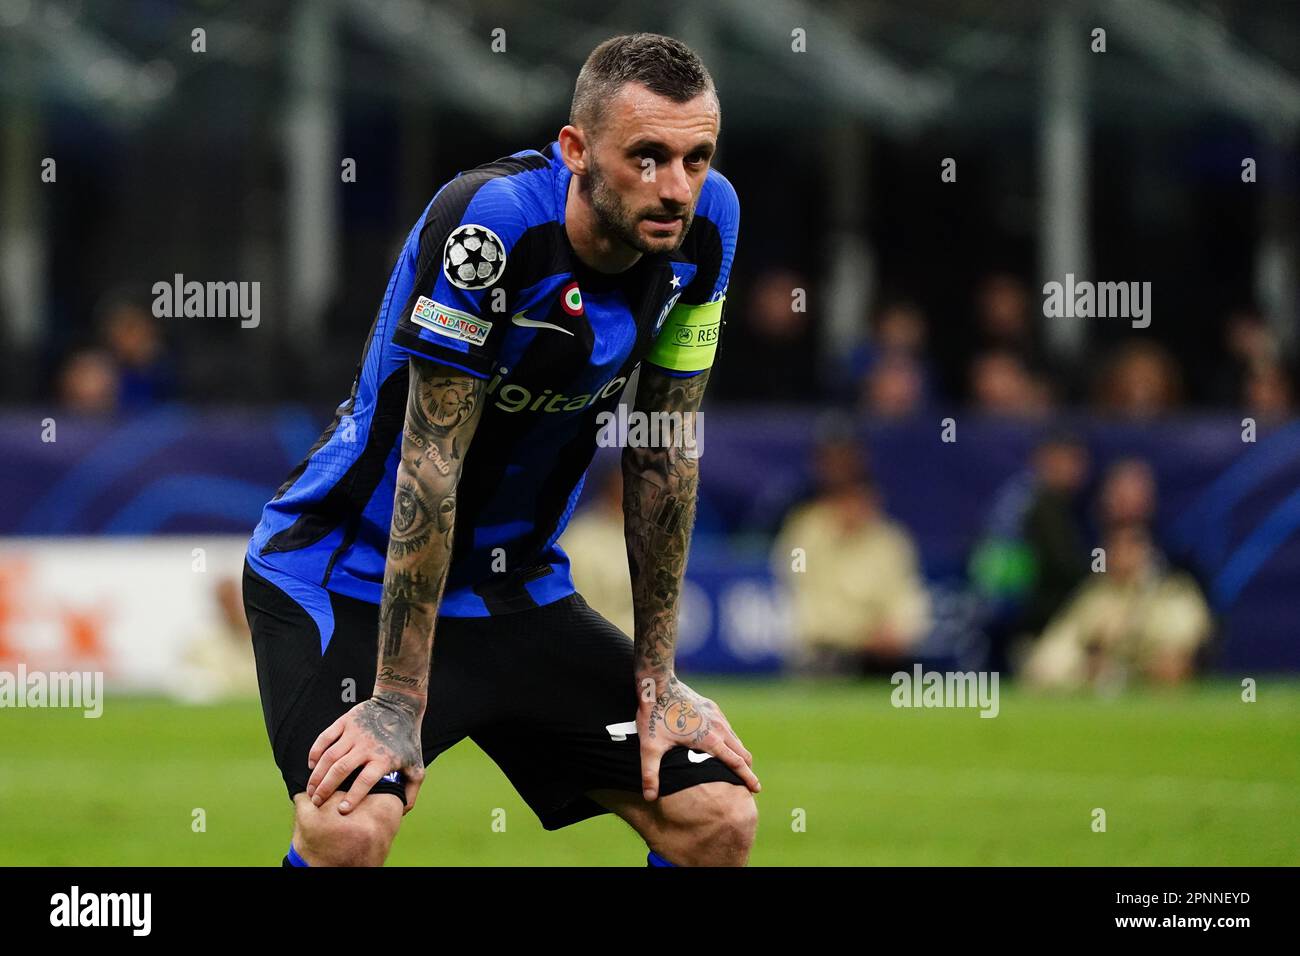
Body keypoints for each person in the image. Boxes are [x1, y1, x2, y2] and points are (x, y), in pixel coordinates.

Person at [242, 33, 759, 868]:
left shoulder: (708, 230)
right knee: (348, 829)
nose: (677, 188)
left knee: (716, 819)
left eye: (697, 158)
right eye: (649, 157)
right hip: (347, 574)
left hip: (514, 591)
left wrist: (660, 684)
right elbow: (431, 465)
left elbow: (663, 452)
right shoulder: (490, 224)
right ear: (576, 150)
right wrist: (399, 699)